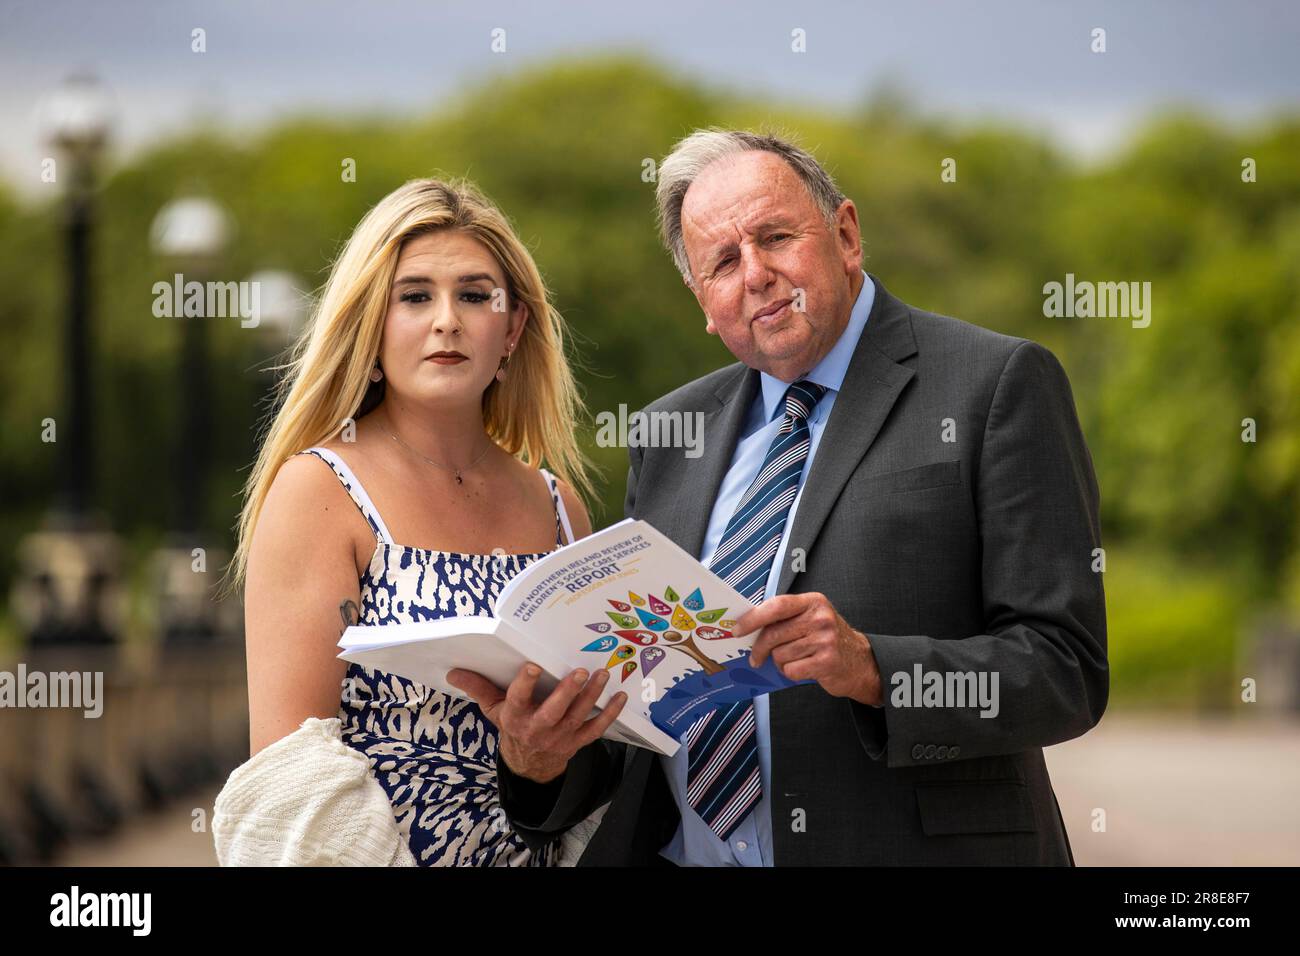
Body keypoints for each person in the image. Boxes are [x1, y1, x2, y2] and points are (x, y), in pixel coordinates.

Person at [450, 129, 1109, 865]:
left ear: (846, 235)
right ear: (702, 300)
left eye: (775, 237)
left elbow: (1066, 671)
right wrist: (542, 761)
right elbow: (647, 722)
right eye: (723, 263)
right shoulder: (671, 430)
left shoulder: (995, 385)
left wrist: (873, 668)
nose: (756, 274)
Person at [228, 177, 595, 866]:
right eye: (416, 296)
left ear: (512, 327)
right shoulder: (319, 490)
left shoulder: (559, 508)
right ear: (372, 323)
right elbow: (289, 786)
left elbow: (598, 765)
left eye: (475, 295)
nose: (447, 320)